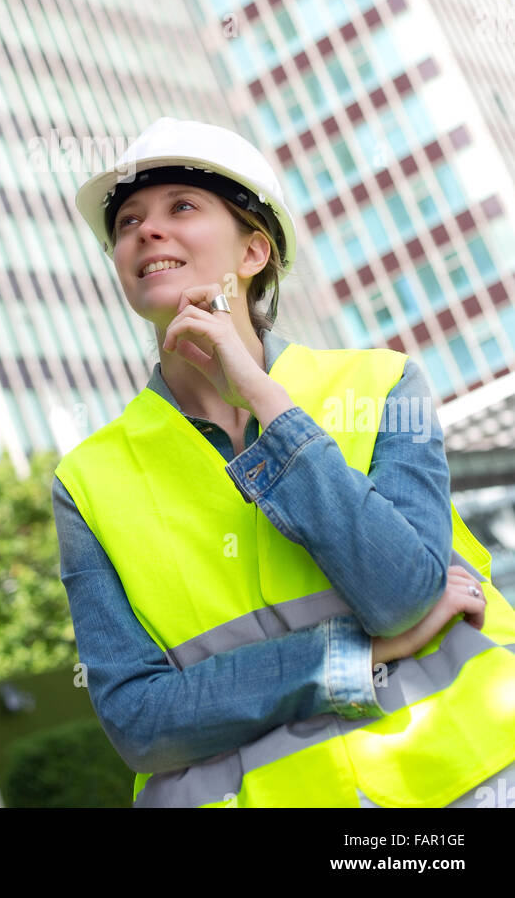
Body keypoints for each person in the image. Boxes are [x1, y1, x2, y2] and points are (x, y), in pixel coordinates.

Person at [52, 117, 515, 808]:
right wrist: (353, 658)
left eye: (182, 207)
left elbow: (403, 594)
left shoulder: (381, 384)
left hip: (470, 782)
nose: (144, 231)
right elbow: (141, 723)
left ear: (254, 252)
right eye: (126, 222)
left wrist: (267, 402)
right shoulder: (86, 480)